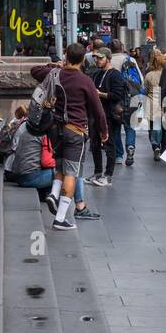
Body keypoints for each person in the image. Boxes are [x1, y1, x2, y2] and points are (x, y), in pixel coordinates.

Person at [43, 42, 109, 226]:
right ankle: (60, 218)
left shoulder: (56, 74)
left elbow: (35, 71)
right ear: (82, 60)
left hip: (56, 129)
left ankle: (53, 194)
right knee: (71, 173)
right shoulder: (85, 80)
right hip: (75, 130)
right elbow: (98, 110)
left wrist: (53, 66)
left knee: (60, 168)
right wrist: (104, 131)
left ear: (66, 57)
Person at [4, 107, 99, 221]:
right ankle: (80, 207)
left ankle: (52, 195)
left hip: (18, 174)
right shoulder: (44, 134)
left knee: (66, 169)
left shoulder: (28, 127)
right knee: (73, 171)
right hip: (28, 177)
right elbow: (46, 161)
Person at [91, 48, 122, 185]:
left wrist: (100, 94)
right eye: (96, 58)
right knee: (95, 144)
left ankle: (108, 175)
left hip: (109, 114)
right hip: (96, 114)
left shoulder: (115, 75)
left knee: (109, 144)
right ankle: (98, 173)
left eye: (100, 58)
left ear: (108, 59)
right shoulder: (96, 74)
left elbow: (117, 95)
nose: (97, 60)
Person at [144, 48, 166, 160]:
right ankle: (160, 145)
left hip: (152, 102)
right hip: (164, 101)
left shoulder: (149, 75)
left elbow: (146, 90)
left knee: (152, 127)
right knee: (161, 127)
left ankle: (155, 145)